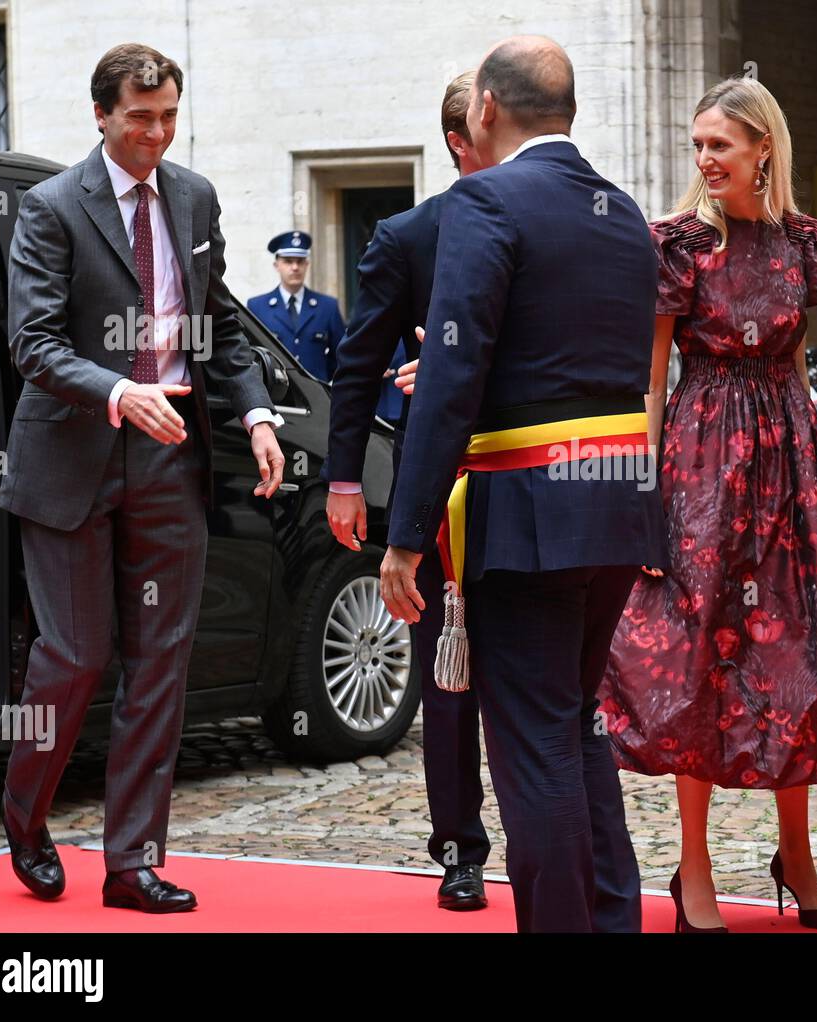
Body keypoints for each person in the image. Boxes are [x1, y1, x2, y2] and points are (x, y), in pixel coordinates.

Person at [378, 35, 665, 933]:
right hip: (616, 504)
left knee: (534, 743)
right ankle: (611, 918)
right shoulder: (625, 213)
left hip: (528, 509)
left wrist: (407, 531)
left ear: (487, 112)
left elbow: (455, 380)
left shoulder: (485, 199)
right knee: (576, 726)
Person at [0, 43, 285, 912]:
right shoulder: (50, 208)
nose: (157, 133)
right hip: (71, 460)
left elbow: (219, 322)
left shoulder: (194, 197)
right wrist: (122, 390)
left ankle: (132, 864)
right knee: (76, 657)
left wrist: (259, 414)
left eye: (167, 116)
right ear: (101, 115)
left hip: (169, 461)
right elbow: (33, 343)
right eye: (139, 118)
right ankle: (24, 811)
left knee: (161, 662)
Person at [597, 77, 817, 933]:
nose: (705, 160)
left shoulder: (803, 243)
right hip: (702, 462)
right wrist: (642, 490)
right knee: (697, 660)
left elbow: (793, 364)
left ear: (762, 150)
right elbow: (651, 375)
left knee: (801, 660)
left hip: (789, 460)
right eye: (699, 145)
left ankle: (799, 856)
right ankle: (694, 869)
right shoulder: (673, 244)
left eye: (721, 146)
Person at [324, 70, 494, 912]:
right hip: (443, 488)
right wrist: (347, 478)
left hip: (539, 481)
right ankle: (460, 847)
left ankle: (548, 833)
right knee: (447, 671)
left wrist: (466, 373)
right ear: (461, 142)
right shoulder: (406, 236)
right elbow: (356, 366)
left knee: (537, 677)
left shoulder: (554, 224)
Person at [247, 231, 345, 382]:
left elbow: (340, 354)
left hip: (315, 395)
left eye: (300, 261)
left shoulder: (327, 307)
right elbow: (251, 355)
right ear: (276, 265)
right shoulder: (257, 307)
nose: (295, 267)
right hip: (275, 394)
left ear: (307, 264)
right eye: (288, 261)